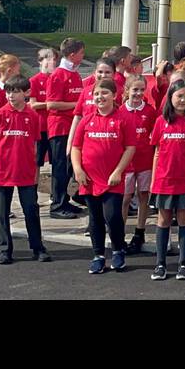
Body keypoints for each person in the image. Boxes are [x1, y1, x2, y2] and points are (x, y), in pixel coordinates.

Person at [71, 78, 137, 275]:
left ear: (114, 95)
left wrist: (118, 171)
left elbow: (130, 148)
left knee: (112, 216)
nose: (100, 97)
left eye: (104, 93)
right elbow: (76, 147)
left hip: (112, 180)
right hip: (88, 179)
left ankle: (118, 250)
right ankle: (98, 255)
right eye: (96, 94)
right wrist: (78, 169)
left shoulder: (123, 119)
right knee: (95, 218)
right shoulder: (86, 120)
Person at [0, 74, 49, 264]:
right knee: (2, 212)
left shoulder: (33, 116)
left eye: (15, 92)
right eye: (8, 92)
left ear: (26, 93)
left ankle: (37, 247)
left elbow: (36, 144)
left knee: (31, 209)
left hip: (25, 171)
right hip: (3, 171)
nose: (11, 96)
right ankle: (5, 249)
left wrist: (34, 169)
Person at [150, 79, 185, 281]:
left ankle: (183, 263)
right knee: (164, 219)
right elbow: (157, 151)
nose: (183, 100)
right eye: (179, 96)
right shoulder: (161, 121)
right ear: (170, 98)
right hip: (164, 179)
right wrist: (153, 181)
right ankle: (160, 264)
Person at [45, 38, 86, 219]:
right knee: (60, 166)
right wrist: (76, 105)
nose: (83, 56)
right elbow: (51, 104)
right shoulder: (58, 75)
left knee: (68, 166)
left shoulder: (75, 74)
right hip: (60, 127)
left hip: (72, 126)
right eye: (81, 53)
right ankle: (57, 204)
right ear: (72, 54)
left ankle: (65, 199)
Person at [120, 75, 158, 255]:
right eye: (135, 89)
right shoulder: (119, 111)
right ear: (127, 90)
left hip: (145, 161)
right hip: (126, 163)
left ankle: (140, 231)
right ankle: (119, 232)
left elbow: (154, 135)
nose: (138, 93)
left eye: (142, 90)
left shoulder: (150, 111)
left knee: (144, 196)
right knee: (125, 198)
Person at [29, 47, 57, 169]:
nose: (52, 62)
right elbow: (33, 104)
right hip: (41, 127)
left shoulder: (58, 79)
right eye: (48, 59)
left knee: (56, 161)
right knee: (37, 161)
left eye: (54, 59)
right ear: (40, 61)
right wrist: (51, 104)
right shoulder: (34, 80)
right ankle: (32, 187)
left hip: (55, 127)